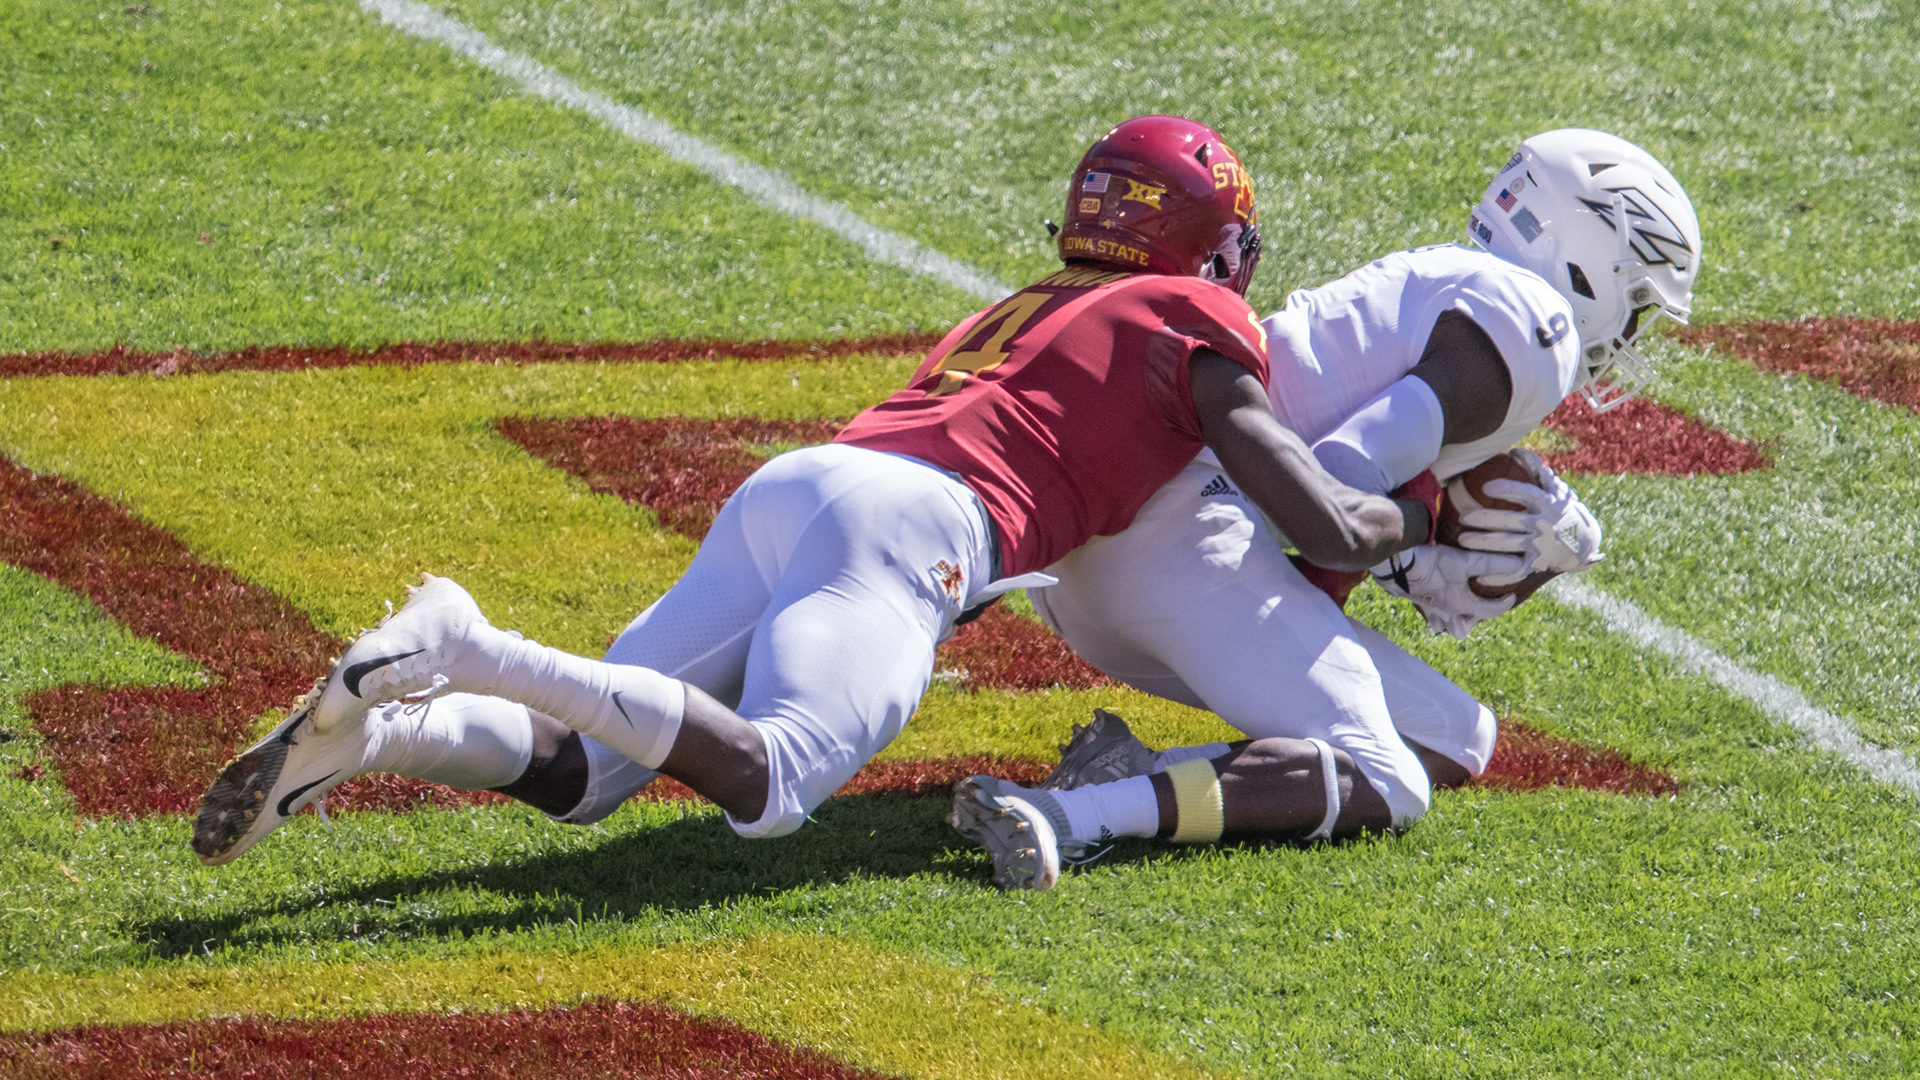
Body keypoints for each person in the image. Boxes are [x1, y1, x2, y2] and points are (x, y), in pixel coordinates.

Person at [190, 115, 1447, 892]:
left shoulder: (1026, 301)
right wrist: (1416, 519)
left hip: (803, 485)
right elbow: (1325, 522)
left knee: (586, 777)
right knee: (777, 782)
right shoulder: (1192, 311)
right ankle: (466, 643)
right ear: (1210, 246)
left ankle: (381, 730)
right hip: (916, 525)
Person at [953, 128, 1702, 888]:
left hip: (1112, 550)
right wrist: (1421, 545)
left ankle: (1122, 774)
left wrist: (1415, 556)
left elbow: (1335, 489)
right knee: (1389, 780)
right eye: (1637, 302)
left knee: (1453, 737)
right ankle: (1062, 816)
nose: (1633, 333)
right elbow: (1336, 483)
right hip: (1171, 528)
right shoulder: (1531, 321)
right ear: (1588, 255)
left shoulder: (1460, 288)